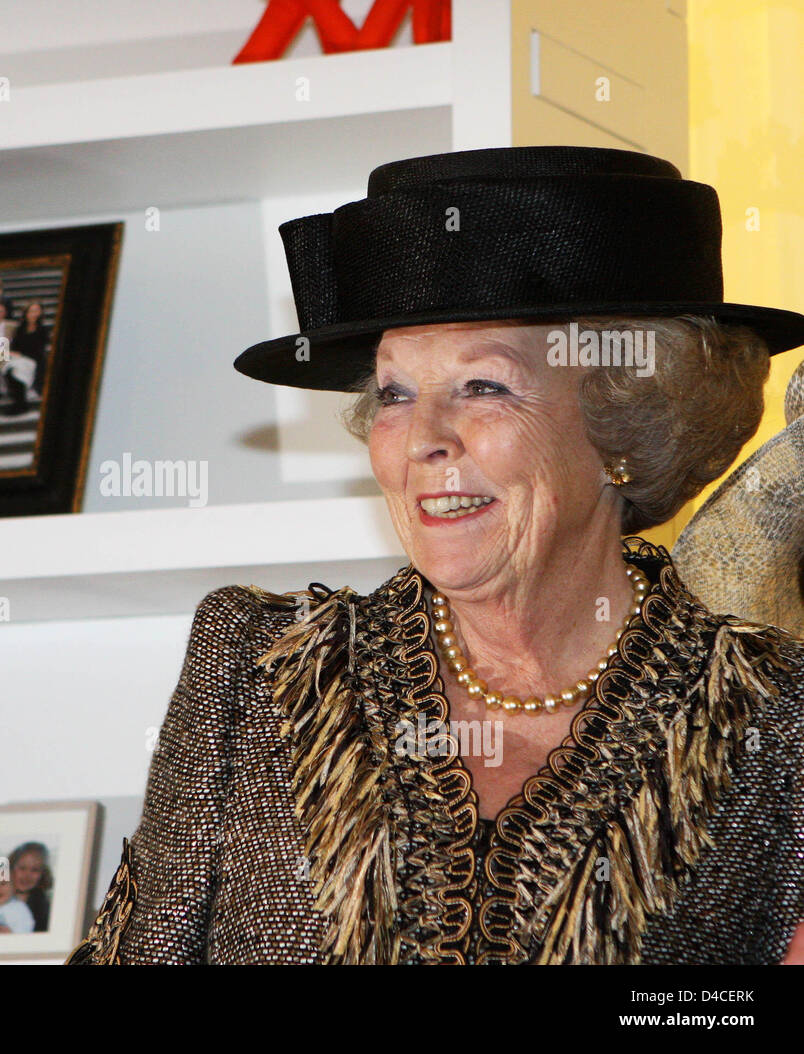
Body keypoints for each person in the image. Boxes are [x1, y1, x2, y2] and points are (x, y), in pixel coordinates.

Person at [66, 145, 804, 966]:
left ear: (624, 425)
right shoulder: (257, 668)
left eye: (483, 387)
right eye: (394, 394)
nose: (422, 441)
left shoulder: (776, 721)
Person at [9, 300, 50, 398]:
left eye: (36, 311)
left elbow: (40, 348)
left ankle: (34, 389)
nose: (34, 314)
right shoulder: (20, 329)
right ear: (26, 314)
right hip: (21, 358)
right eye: (31, 311)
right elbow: (15, 347)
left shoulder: (42, 330)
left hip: (36, 359)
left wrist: (24, 355)